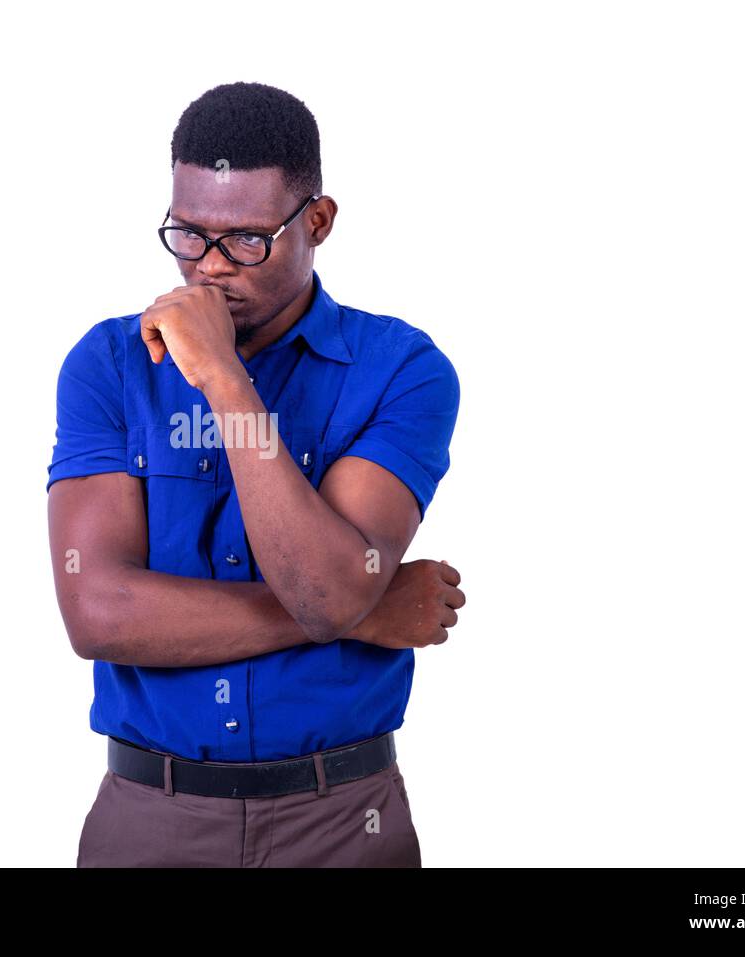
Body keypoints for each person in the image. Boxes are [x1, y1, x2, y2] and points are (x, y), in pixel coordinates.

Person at [46, 81, 466, 867]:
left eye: (244, 240)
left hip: (344, 825)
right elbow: (98, 613)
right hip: (148, 818)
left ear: (317, 221)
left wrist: (224, 380)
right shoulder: (107, 364)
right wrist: (364, 612)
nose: (208, 268)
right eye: (188, 234)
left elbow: (328, 590)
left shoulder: (401, 369)